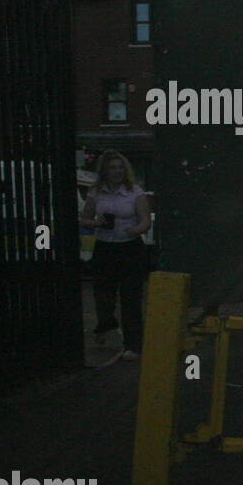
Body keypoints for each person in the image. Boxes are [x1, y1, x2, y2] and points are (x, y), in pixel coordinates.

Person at [81, 150, 151, 360]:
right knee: (103, 294)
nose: (117, 172)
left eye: (121, 168)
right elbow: (84, 219)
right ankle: (105, 324)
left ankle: (133, 345)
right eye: (113, 168)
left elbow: (146, 219)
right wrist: (95, 223)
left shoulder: (135, 192)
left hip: (129, 247)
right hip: (105, 247)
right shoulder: (96, 193)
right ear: (104, 171)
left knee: (131, 297)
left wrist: (137, 229)